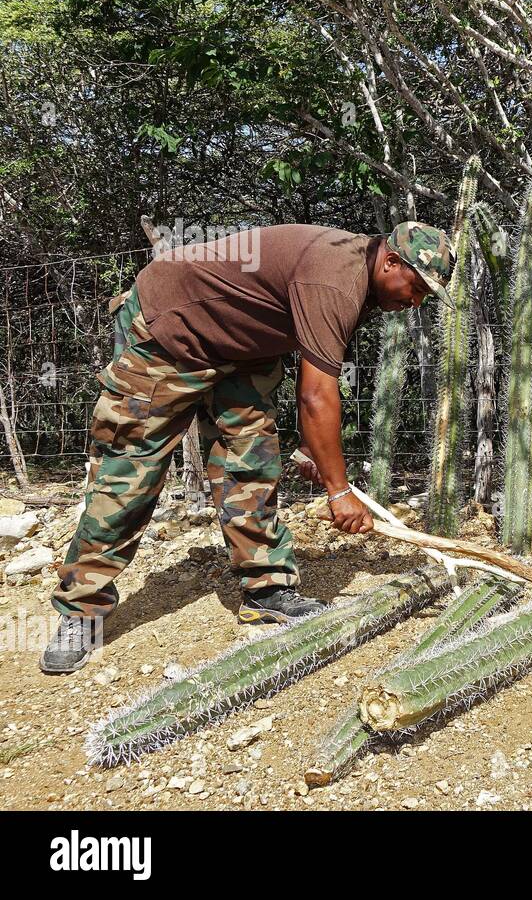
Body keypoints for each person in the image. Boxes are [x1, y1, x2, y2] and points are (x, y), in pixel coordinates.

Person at [40, 222, 453, 673]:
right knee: (129, 473)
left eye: (425, 297)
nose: (414, 303)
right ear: (391, 262)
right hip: (168, 333)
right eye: (416, 287)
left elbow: (318, 371)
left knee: (251, 462)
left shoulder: (358, 279)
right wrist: (339, 490)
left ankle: (268, 590)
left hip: (243, 350)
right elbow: (316, 396)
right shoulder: (332, 275)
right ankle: (81, 608)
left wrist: (316, 452)